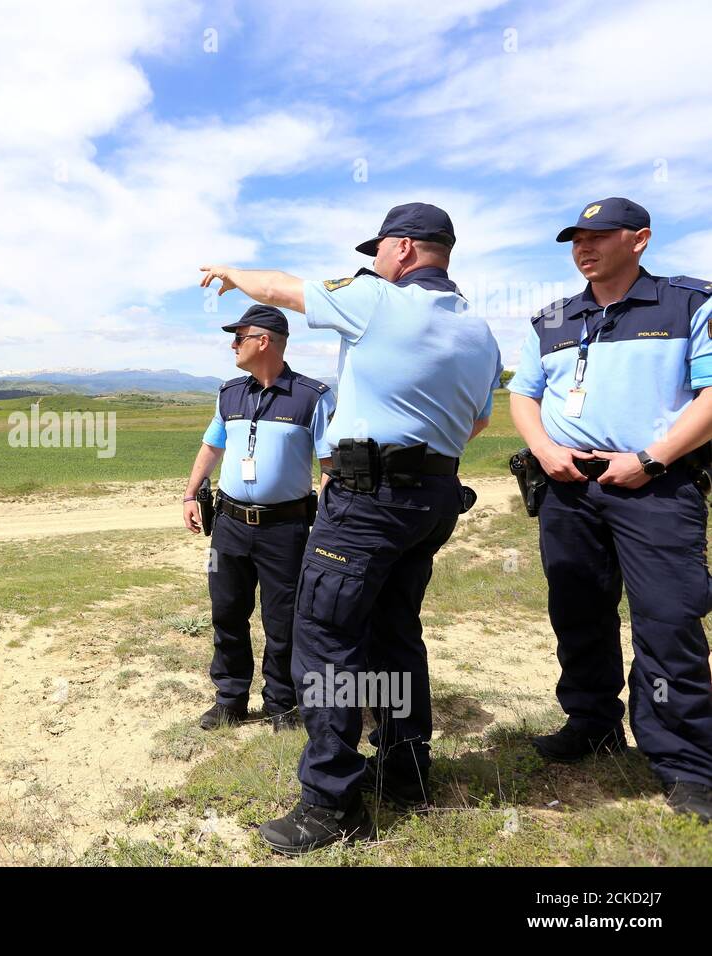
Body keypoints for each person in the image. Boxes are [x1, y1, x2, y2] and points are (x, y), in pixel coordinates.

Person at [200, 202, 503, 854]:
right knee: (396, 632)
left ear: (401, 249)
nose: (373, 263)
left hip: (368, 502)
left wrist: (231, 271)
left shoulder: (376, 300)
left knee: (326, 641)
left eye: (380, 251)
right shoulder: (480, 332)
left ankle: (331, 803)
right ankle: (406, 766)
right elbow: (477, 422)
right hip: (435, 498)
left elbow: (282, 287)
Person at [506, 197, 712, 823]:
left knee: (669, 619)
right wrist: (543, 451)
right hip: (568, 485)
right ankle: (591, 724)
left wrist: (649, 460)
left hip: (654, 483)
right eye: (576, 239)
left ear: (640, 240)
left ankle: (686, 761)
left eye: (599, 236)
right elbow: (523, 394)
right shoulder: (551, 319)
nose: (584, 248)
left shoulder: (689, 302)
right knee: (578, 610)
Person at [183, 304, 334, 733]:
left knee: (283, 620)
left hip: (285, 529)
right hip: (229, 525)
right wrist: (191, 493)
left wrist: (325, 520)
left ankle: (282, 704)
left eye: (239, 337)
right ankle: (229, 700)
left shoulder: (312, 396)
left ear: (263, 341)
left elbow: (329, 466)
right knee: (227, 612)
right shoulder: (229, 392)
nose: (232, 344)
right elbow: (212, 446)